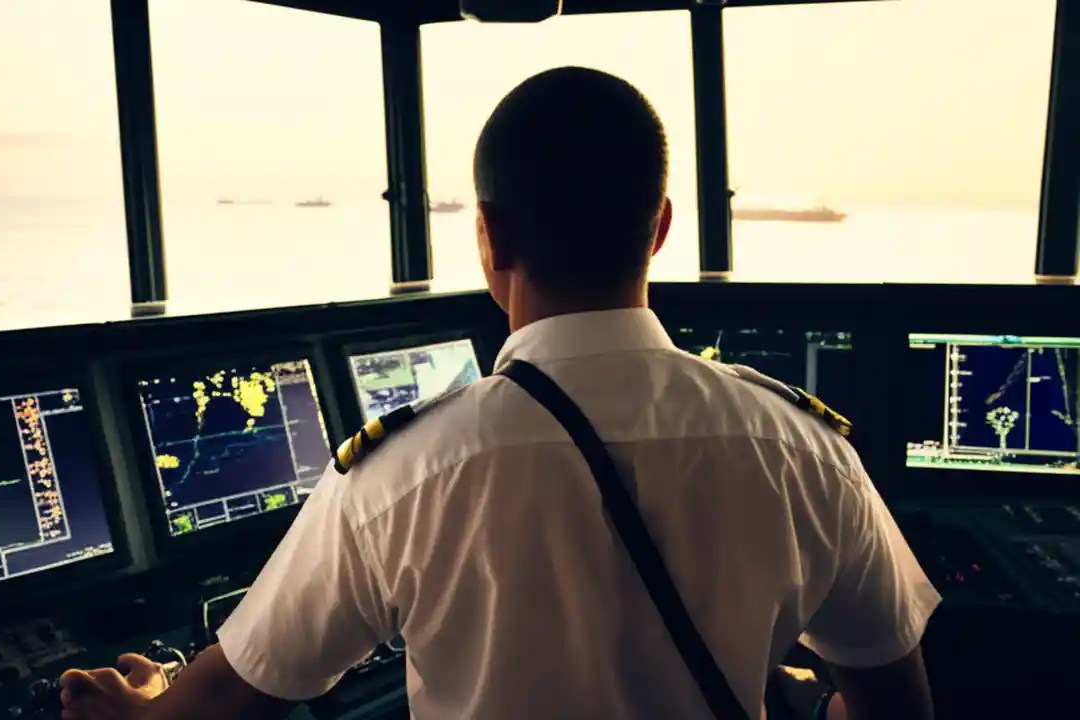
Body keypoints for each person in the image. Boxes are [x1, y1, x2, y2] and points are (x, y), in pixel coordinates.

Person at [59, 66, 940, 720]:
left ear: (490, 235)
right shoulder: (805, 450)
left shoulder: (400, 474)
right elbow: (896, 700)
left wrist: (137, 699)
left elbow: (223, 702)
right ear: (662, 226)